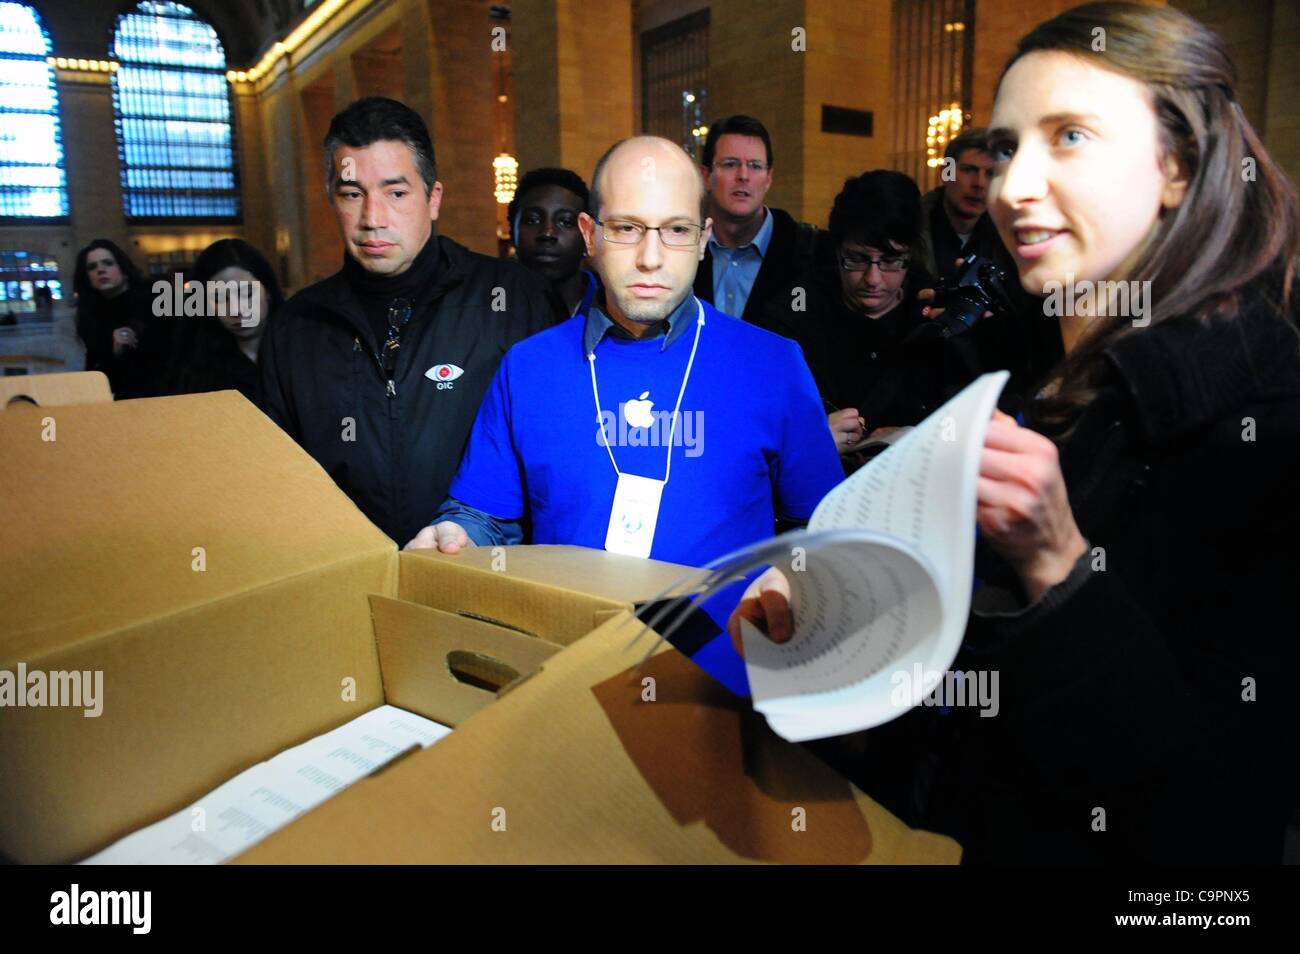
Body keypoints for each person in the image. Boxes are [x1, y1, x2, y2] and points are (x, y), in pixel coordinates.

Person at [729, 1, 1300, 864]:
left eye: (1069, 137)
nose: (1013, 187)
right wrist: (831, 612)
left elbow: (1214, 814)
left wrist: (1059, 568)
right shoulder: (1029, 361)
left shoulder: (1257, 410)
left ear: (1177, 164)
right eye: (1004, 148)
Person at [408, 136, 842, 678]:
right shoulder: (527, 367)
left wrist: (798, 575)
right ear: (590, 234)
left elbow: (823, 529)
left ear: (704, 238)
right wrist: (458, 535)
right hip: (564, 675)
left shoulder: (774, 365)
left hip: (726, 683)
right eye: (627, 228)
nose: (651, 257)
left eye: (676, 230)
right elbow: (485, 515)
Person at [257, 97, 555, 544]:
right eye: (353, 194)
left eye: (396, 193)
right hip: (349, 584)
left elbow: (554, 459)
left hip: (484, 579)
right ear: (331, 199)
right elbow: (276, 483)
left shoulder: (514, 300)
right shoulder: (297, 326)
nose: (373, 219)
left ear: (433, 199)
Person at [753, 170, 975, 467]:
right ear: (836, 250)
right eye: (856, 259)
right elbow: (754, 427)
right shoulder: (791, 317)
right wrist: (809, 438)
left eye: (891, 261)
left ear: (911, 254)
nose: (873, 278)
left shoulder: (940, 319)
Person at [692, 115, 819, 323]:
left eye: (755, 166)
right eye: (730, 164)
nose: (743, 175)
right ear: (706, 176)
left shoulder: (809, 251)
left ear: (769, 178)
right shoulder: (681, 249)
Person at [172, 239, 282, 403]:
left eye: (246, 293)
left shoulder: (302, 348)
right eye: (219, 298)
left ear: (268, 291)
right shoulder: (197, 370)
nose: (236, 310)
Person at [73, 239, 169, 399]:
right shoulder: (90, 313)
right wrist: (114, 351)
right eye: (92, 267)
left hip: (165, 394)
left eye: (108, 263)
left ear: (123, 267)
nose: (100, 270)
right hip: (123, 399)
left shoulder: (155, 298)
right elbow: (96, 370)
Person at [508, 167, 598, 320]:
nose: (547, 233)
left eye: (565, 222)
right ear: (512, 232)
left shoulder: (612, 304)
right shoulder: (495, 302)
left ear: (588, 236)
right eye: (532, 220)